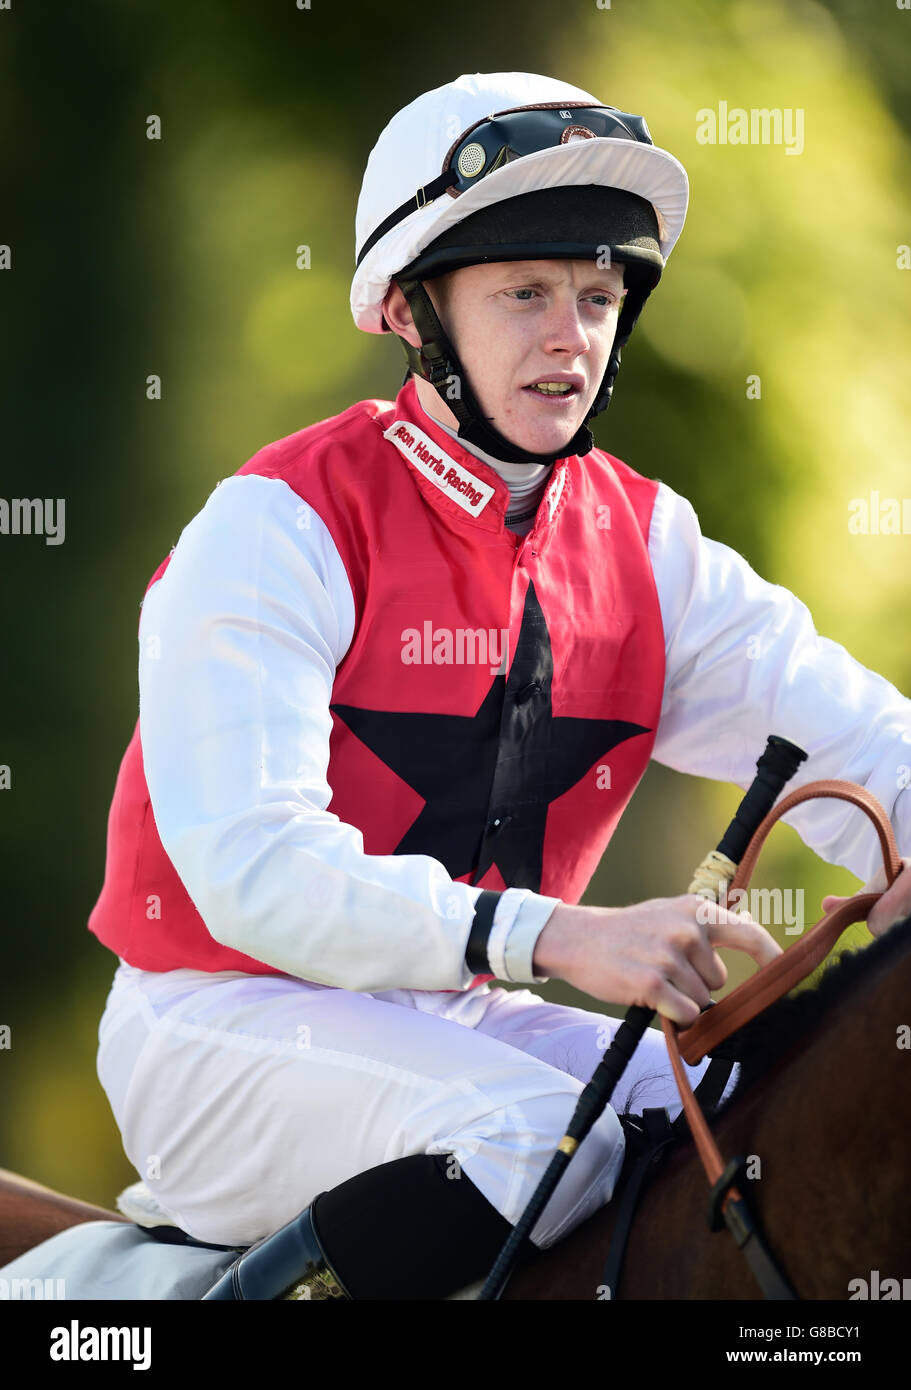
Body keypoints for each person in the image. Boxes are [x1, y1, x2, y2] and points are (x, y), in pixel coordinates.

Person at [87, 71, 911, 1300]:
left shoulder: (645, 543)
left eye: (594, 295)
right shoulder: (274, 522)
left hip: (456, 1025)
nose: (569, 334)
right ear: (415, 311)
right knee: (531, 1139)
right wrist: (560, 935)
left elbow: (864, 743)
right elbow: (251, 865)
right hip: (220, 1022)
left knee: (742, 1112)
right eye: (523, 293)